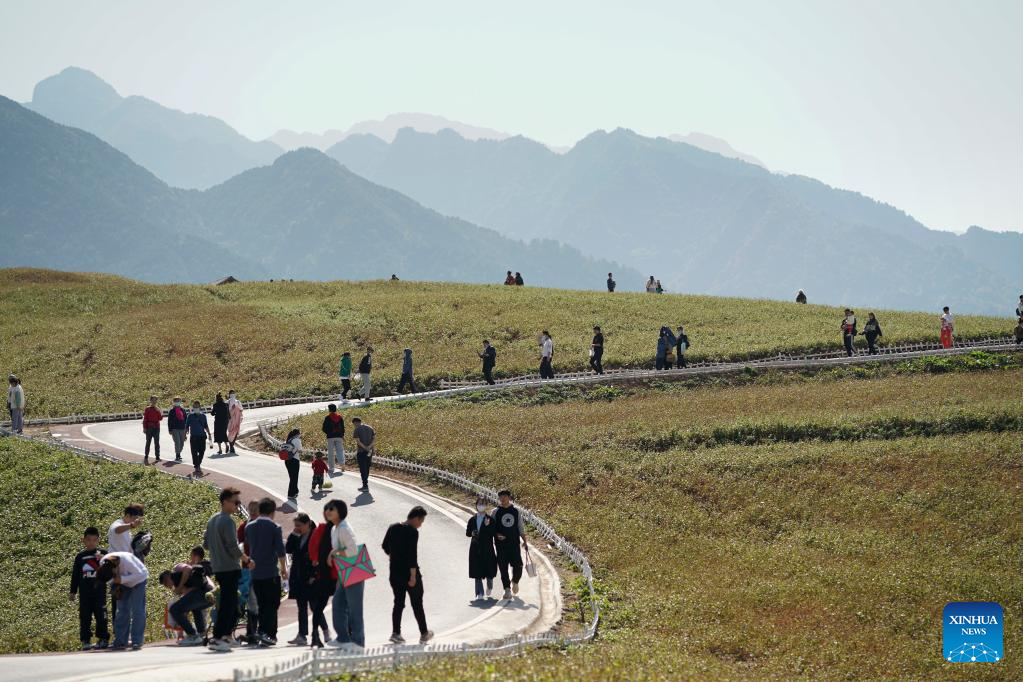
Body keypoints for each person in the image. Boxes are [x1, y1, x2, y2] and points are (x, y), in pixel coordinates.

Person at [382, 506, 433, 644]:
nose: (420, 525)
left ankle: (396, 633)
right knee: (417, 603)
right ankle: (424, 633)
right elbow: (412, 556)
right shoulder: (412, 532)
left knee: (398, 603)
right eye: (421, 521)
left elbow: (385, 546)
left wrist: (394, 556)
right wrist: (413, 576)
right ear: (416, 518)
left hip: (394, 573)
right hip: (409, 574)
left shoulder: (393, 527)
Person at [204, 486, 244, 652]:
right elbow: (233, 547)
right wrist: (246, 558)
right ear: (225, 502)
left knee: (230, 602)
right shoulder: (228, 520)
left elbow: (205, 544)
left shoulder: (212, 519)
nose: (237, 506)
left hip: (218, 567)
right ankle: (219, 637)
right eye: (236, 502)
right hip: (229, 567)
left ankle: (226, 636)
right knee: (228, 604)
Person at [245, 497, 288, 646]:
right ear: (272, 511)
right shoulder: (275, 527)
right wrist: (284, 569)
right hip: (270, 571)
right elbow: (280, 551)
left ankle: (265, 633)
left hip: (255, 573)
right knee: (273, 603)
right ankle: (267, 633)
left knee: (262, 604)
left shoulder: (249, 527)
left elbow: (250, 546)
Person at [326, 499, 366, 651]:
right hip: (344, 571)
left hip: (353, 570)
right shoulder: (334, 529)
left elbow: (353, 551)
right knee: (338, 604)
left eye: (332, 509)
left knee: (355, 609)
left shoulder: (343, 528)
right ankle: (343, 638)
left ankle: (358, 643)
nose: (328, 511)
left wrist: (334, 553)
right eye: (328, 509)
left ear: (340, 512)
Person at [98, 551, 149, 651]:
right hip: (122, 582)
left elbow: (139, 574)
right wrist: (115, 585)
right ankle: (120, 640)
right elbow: (110, 579)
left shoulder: (127, 561)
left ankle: (137, 641)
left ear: (115, 569)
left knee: (137, 610)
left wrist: (121, 579)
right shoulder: (103, 563)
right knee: (122, 611)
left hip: (139, 579)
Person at [70, 526, 109, 650]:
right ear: (84, 540)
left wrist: (102, 559)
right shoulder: (80, 557)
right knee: (85, 617)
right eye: (88, 540)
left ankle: (103, 639)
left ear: (98, 541)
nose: (91, 543)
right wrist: (73, 591)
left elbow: (110, 569)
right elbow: (75, 574)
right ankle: (85, 641)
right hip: (85, 593)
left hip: (99, 592)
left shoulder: (103, 553)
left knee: (101, 616)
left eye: (94, 540)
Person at [159, 558, 214, 646]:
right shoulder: (178, 580)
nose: (168, 587)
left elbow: (188, 569)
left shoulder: (176, 570)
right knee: (195, 608)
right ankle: (201, 634)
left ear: (167, 578)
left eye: (166, 584)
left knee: (174, 609)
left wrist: (180, 587)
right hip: (209, 594)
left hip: (203, 592)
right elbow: (188, 596)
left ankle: (193, 635)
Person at [307, 504, 337, 648]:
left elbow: (312, 553)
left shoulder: (320, 530)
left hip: (323, 574)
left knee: (319, 606)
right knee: (345, 605)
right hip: (339, 574)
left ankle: (315, 636)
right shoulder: (342, 528)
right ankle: (347, 635)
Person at [285, 513, 317, 646]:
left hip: (310, 577)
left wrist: (314, 575)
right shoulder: (298, 536)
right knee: (301, 607)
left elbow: (317, 557)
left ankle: (323, 633)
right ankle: (302, 635)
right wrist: (293, 534)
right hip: (299, 577)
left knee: (315, 606)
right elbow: (288, 549)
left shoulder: (315, 536)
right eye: (295, 526)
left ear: (308, 524)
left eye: (299, 525)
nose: (297, 528)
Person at [492, 490, 529, 600]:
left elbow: (520, 528)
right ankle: (507, 589)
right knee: (503, 567)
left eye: (504, 496)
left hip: (514, 544)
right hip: (500, 545)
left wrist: (525, 542)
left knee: (518, 566)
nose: (502, 499)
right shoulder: (495, 512)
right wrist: (496, 534)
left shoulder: (516, 511)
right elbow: (491, 528)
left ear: (509, 498)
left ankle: (515, 581)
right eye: (500, 497)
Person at [466, 497, 497, 600]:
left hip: (487, 548)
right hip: (475, 547)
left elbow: (493, 533)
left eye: (483, 504)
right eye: (479, 503)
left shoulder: (490, 520)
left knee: (489, 569)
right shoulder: (472, 519)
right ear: (476, 505)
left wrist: (487, 526)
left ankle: (490, 585)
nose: (481, 506)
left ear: (486, 505)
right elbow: (467, 533)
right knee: (476, 570)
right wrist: (472, 533)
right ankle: (479, 592)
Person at [185, 400, 211, 476]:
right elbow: (186, 426)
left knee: (202, 451)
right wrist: (184, 435)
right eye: (195, 406)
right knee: (194, 452)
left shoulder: (203, 416)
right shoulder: (190, 416)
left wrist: (209, 433)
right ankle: (197, 466)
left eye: (197, 406)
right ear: (193, 407)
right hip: (193, 437)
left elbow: (206, 426)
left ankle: (198, 463)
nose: (196, 408)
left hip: (202, 436)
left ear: (200, 407)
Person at [352, 417, 375, 493]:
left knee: (362, 468)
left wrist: (365, 447)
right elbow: (374, 439)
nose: (354, 426)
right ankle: (366, 483)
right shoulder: (370, 428)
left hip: (361, 451)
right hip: (370, 451)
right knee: (367, 467)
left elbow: (358, 442)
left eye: (354, 424)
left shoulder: (357, 430)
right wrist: (369, 447)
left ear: (355, 423)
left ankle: (365, 485)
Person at [321, 404, 345, 475]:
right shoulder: (340, 417)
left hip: (330, 437)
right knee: (340, 451)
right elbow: (343, 427)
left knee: (331, 452)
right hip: (339, 436)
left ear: (329, 409)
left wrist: (328, 432)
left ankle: (331, 467)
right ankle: (342, 464)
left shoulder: (327, 417)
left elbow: (323, 428)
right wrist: (342, 435)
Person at [280, 428, 302, 500]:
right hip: (294, 460)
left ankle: (295, 491)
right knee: (294, 477)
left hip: (287, 460)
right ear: (297, 434)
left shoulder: (288, 440)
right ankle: (291, 494)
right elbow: (300, 450)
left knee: (292, 477)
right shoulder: (297, 440)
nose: (300, 435)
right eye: (300, 433)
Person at [142, 395, 162, 464]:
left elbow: (160, 418)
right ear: (150, 401)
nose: (154, 401)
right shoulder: (147, 409)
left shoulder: (158, 409)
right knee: (148, 442)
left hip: (156, 427)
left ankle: (157, 457)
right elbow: (145, 419)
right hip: (149, 427)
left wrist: (158, 411)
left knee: (157, 442)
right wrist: (144, 428)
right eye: (153, 400)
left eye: (155, 400)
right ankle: (146, 456)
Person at [167, 397, 188, 462]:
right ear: (173, 402)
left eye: (178, 401)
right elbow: (169, 421)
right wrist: (170, 430)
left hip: (182, 428)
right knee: (177, 442)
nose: (177, 402)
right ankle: (177, 455)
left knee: (182, 442)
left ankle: (179, 452)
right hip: (174, 429)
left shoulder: (183, 410)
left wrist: (187, 429)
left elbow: (186, 420)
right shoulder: (171, 411)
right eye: (176, 401)